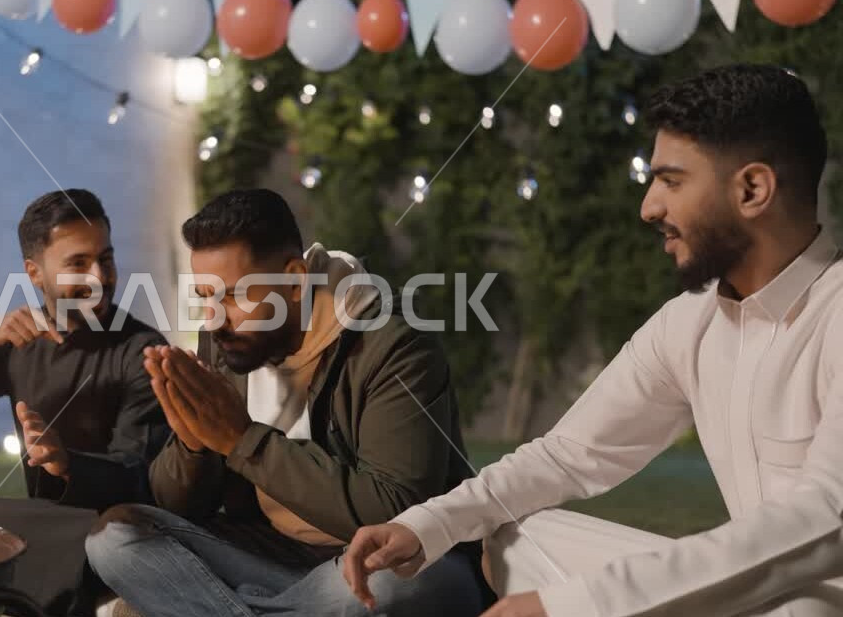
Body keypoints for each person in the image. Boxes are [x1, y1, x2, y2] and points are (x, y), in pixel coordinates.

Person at [343, 64, 843, 616]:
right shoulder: (691, 322)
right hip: (755, 599)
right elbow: (568, 456)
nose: (649, 207)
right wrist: (426, 523)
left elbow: (828, 519)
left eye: (672, 181)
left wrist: (571, 605)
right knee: (516, 539)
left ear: (752, 189)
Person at [85, 189, 491, 616]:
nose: (213, 319)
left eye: (232, 296)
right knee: (116, 537)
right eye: (205, 295)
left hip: (388, 561)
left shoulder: (393, 348)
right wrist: (192, 445)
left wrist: (242, 441)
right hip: (271, 556)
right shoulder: (226, 342)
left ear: (295, 280)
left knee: (389, 589)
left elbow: (396, 509)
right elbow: (180, 508)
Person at [0, 189, 169, 511]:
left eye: (106, 259)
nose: (99, 277)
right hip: (47, 527)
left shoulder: (144, 351)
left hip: (129, 531)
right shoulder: (18, 344)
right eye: (78, 263)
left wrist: (67, 464)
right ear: (34, 273)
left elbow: (143, 477)